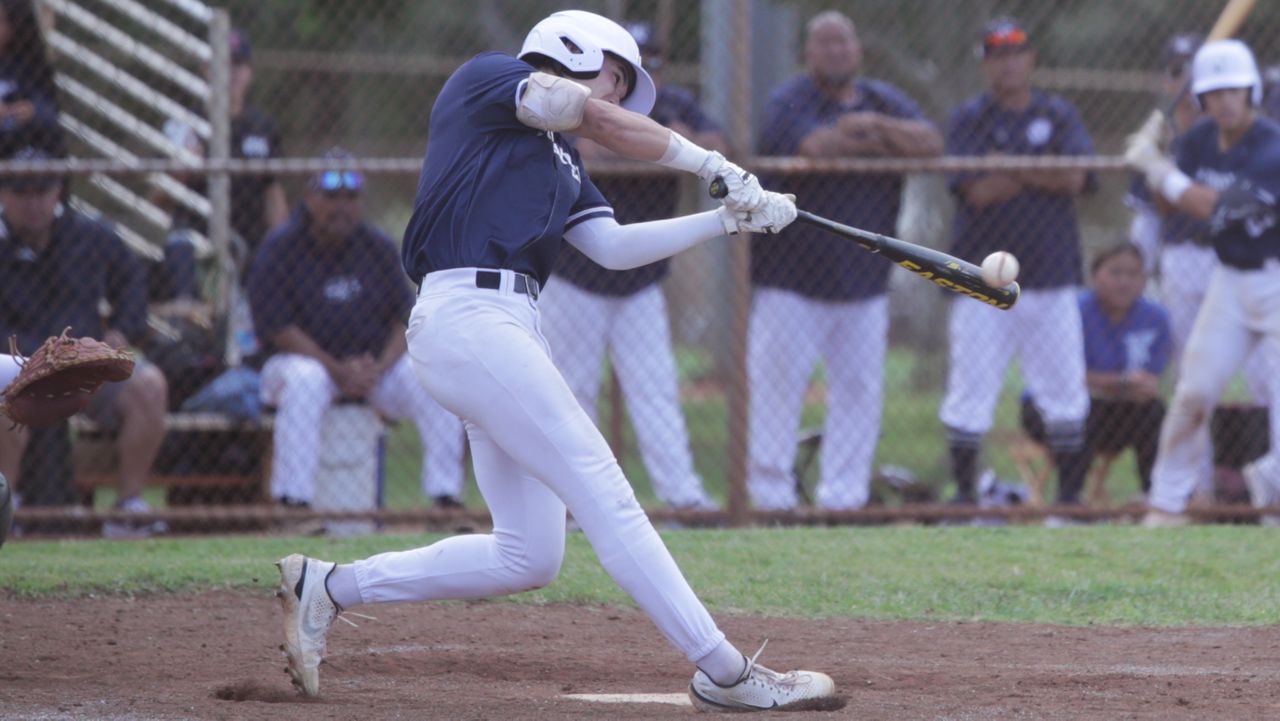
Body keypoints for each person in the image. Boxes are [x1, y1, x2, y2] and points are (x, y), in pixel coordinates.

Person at [273, 10, 837, 712]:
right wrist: (713, 165)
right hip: (468, 316)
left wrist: (725, 220)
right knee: (605, 487)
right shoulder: (490, 81)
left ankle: (326, 587)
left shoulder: (563, 160)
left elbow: (612, 246)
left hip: (507, 328)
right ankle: (725, 671)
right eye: (616, 76)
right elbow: (590, 116)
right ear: (573, 48)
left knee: (529, 554)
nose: (616, 96)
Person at [748, 10, 942, 511]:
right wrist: (877, 144)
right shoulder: (790, 98)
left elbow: (931, 142)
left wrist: (874, 126)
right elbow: (814, 145)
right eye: (825, 43)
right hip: (789, 278)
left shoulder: (881, 100)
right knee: (777, 388)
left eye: (844, 42)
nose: (836, 51)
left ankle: (844, 498)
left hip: (863, 278)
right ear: (808, 54)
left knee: (859, 391)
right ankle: (770, 499)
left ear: (857, 50)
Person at [539, 20, 724, 511]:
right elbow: (594, 152)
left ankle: (682, 498)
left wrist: (664, 143)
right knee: (571, 393)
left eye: (653, 60)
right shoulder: (574, 103)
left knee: (655, 391)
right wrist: (663, 148)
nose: (648, 68)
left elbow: (716, 142)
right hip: (576, 276)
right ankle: (572, 503)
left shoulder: (673, 103)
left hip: (641, 280)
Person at [247, 153, 467, 510]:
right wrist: (337, 369)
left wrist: (378, 369)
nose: (342, 207)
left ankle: (446, 498)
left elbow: (405, 318)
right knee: (307, 380)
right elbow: (277, 329)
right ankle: (294, 503)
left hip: (371, 371)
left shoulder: (375, 247)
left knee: (430, 375)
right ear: (310, 198)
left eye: (351, 199)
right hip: (298, 368)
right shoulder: (281, 248)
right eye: (331, 198)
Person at [939, 17, 1096, 512]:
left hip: (1050, 274)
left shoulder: (1059, 113)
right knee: (971, 390)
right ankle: (965, 498)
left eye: (1017, 52)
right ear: (987, 64)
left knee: (1064, 389)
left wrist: (1006, 163)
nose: (1008, 62)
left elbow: (1075, 179)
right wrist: (1039, 166)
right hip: (979, 279)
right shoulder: (970, 118)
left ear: (1030, 60)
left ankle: (1068, 503)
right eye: (997, 54)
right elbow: (976, 190)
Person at [1124, 39, 1280, 527]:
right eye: (1215, 93)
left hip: (1277, 278)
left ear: (1252, 91)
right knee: (1193, 393)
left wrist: (1160, 171)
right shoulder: (1197, 140)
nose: (1226, 101)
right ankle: (1167, 505)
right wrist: (1149, 159)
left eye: (1235, 90)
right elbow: (1168, 202)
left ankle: (1272, 492)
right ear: (1201, 99)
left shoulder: (1273, 145)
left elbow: (1222, 209)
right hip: (1231, 282)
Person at [0, 147, 169, 537]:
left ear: (58, 191)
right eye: (22, 193)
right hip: (17, 363)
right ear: (4, 195)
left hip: (81, 363)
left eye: (42, 191)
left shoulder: (87, 235)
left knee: (149, 384)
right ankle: (7, 509)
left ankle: (128, 507)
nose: (33, 203)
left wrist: (123, 330)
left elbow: (132, 281)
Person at [1021, 243, 1172, 497]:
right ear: (1094, 276)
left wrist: (1123, 386)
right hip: (1048, 410)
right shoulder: (1072, 313)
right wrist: (1121, 383)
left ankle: (1155, 496)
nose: (1124, 282)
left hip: (1116, 412)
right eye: (1115, 273)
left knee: (1154, 411)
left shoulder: (1156, 318)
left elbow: (1147, 382)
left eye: (1133, 274)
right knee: (1082, 410)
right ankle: (1068, 502)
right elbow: (1062, 378)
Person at [152, 28, 288, 302]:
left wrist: (283, 246)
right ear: (207, 69)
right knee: (185, 255)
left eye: (239, 64)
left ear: (249, 71)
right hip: (197, 243)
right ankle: (192, 327)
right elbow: (158, 200)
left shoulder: (262, 126)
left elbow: (273, 195)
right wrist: (184, 166)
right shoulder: (186, 124)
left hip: (252, 242)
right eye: (223, 64)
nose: (232, 73)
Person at [0, 0, 63, 159]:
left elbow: (50, 112)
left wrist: (31, 111)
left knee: (36, 160)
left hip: (20, 149)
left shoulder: (26, 65)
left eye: (1, 21)